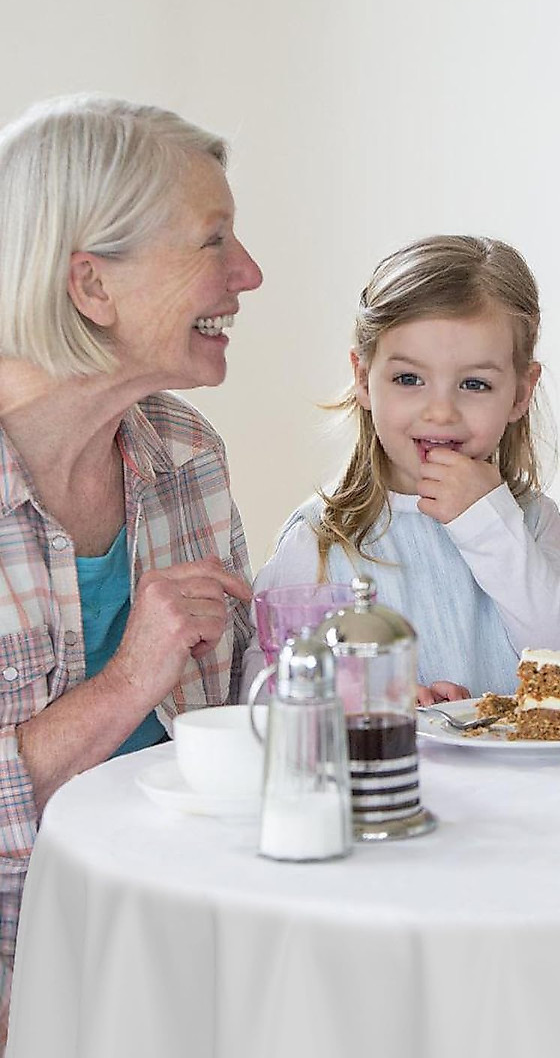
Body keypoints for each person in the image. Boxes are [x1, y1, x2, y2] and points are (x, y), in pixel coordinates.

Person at [0, 95, 261, 1035]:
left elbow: (237, 714)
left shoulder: (185, 453)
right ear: (92, 286)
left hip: (181, 952)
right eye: (212, 241)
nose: (250, 273)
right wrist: (125, 683)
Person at [250, 235, 560, 701]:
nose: (440, 411)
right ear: (363, 378)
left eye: (474, 384)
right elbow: (262, 695)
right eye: (409, 379)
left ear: (520, 393)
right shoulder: (320, 539)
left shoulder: (528, 521)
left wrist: (488, 523)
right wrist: (368, 699)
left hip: (515, 773)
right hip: (377, 770)